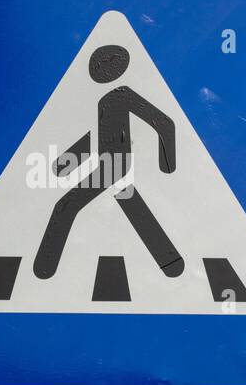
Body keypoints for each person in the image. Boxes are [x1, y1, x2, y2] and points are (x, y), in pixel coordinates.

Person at [32, 43, 185, 279]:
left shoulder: (122, 95)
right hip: (110, 165)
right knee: (133, 206)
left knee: (65, 207)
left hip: (114, 165)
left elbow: (164, 123)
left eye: (102, 64)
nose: (98, 69)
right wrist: (65, 163)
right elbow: (98, 136)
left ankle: (44, 268)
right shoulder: (105, 100)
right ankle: (171, 262)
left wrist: (167, 164)